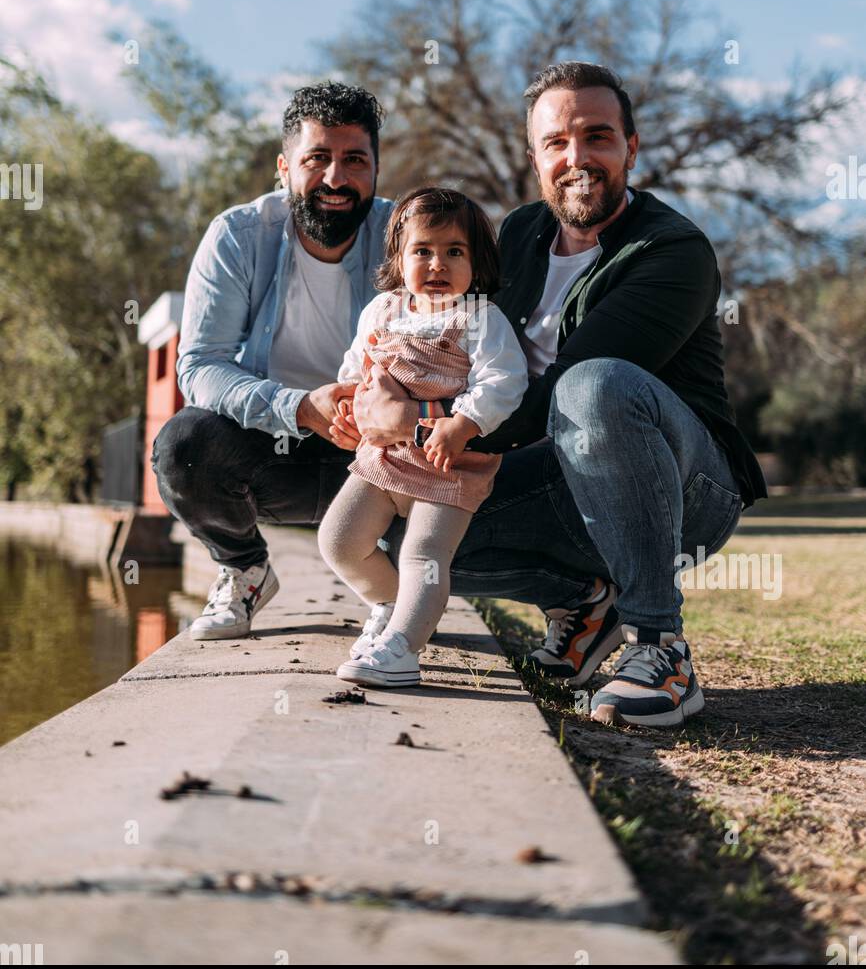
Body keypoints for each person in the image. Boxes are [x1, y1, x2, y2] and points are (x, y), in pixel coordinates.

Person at [340, 62, 767, 727]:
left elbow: (570, 384)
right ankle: (583, 603)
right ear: (535, 154)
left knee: (592, 385)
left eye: (597, 136)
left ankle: (660, 647)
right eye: (557, 142)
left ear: (631, 145)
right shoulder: (516, 234)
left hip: (686, 487)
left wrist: (437, 423)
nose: (577, 158)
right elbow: (451, 348)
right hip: (549, 470)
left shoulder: (671, 251)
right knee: (399, 543)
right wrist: (377, 395)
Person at [151, 81, 392, 640]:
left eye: (355, 159)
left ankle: (394, 591)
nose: (336, 178)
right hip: (268, 450)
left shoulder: (407, 236)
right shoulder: (238, 235)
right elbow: (200, 364)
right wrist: (297, 407)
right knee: (184, 447)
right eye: (318, 159)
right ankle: (244, 570)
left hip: (378, 454)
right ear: (284, 168)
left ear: (376, 168)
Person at [317, 187, 528, 687]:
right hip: (384, 459)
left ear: (476, 263)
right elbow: (356, 372)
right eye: (423, 251)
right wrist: (348, 406)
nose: (438, 264)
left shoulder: (479, 317)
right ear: (399, 257)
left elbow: (504, 380)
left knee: (424, 556)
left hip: (447, 463)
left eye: (455, 252)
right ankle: (390, 606)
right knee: (340, 541)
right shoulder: (381, 312)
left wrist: (465, 423)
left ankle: (403, 650)